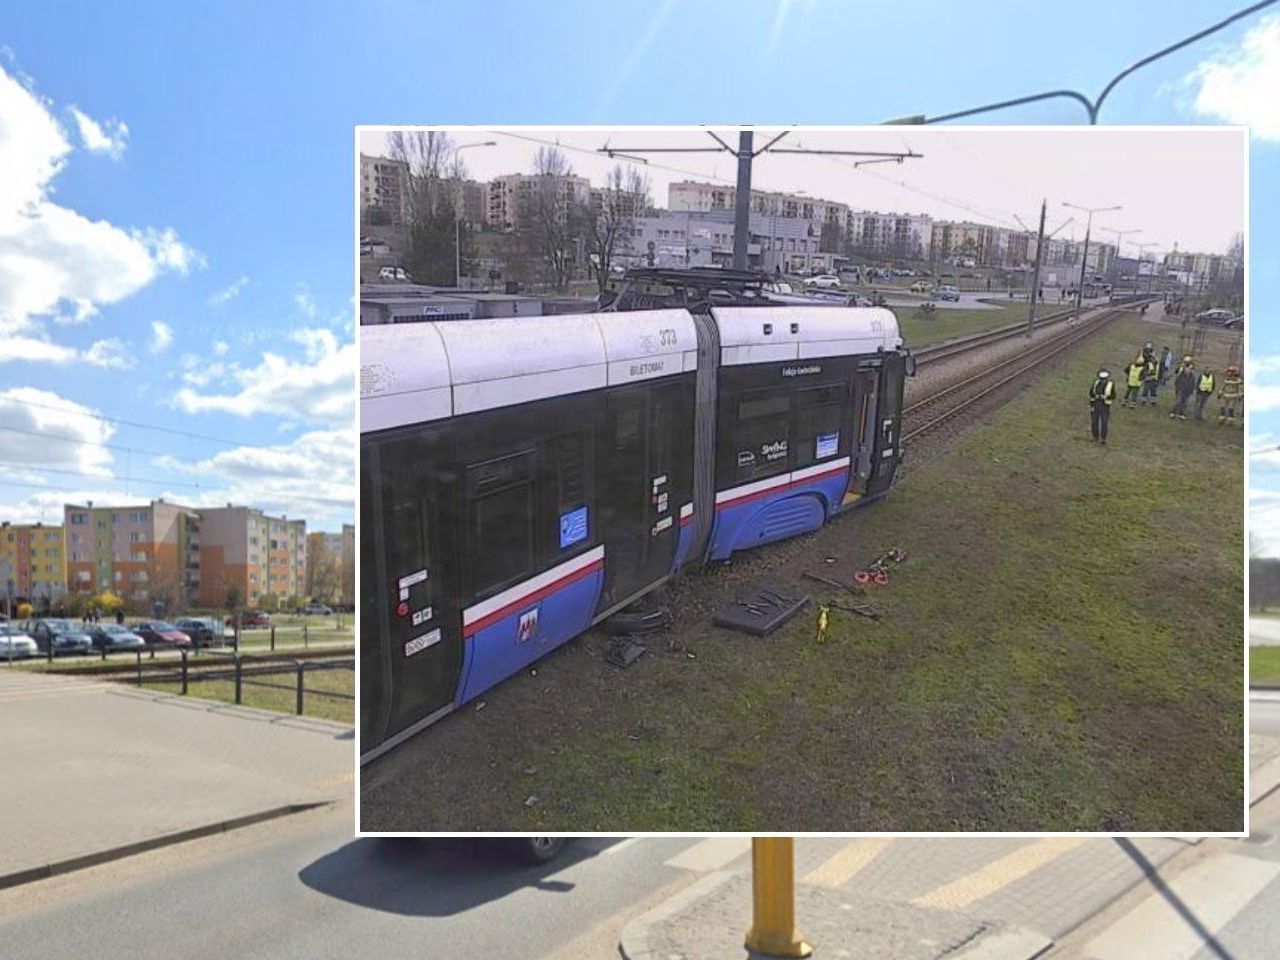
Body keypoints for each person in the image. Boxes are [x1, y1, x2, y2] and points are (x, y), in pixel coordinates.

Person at [1089, 369, 1116, 443]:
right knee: (1094, 422)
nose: (1102, 381)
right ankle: (1095, 437)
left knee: (1104, 423)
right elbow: (1091, 393)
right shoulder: (1095, 383)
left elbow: (1113, 395)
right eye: (1101, 379)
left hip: (1105, 406)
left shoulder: (1111, 384)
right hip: (1096, 404)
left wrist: (1105, 397)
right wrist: (1092, 405)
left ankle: (1103, 438)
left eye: (1104, 379)